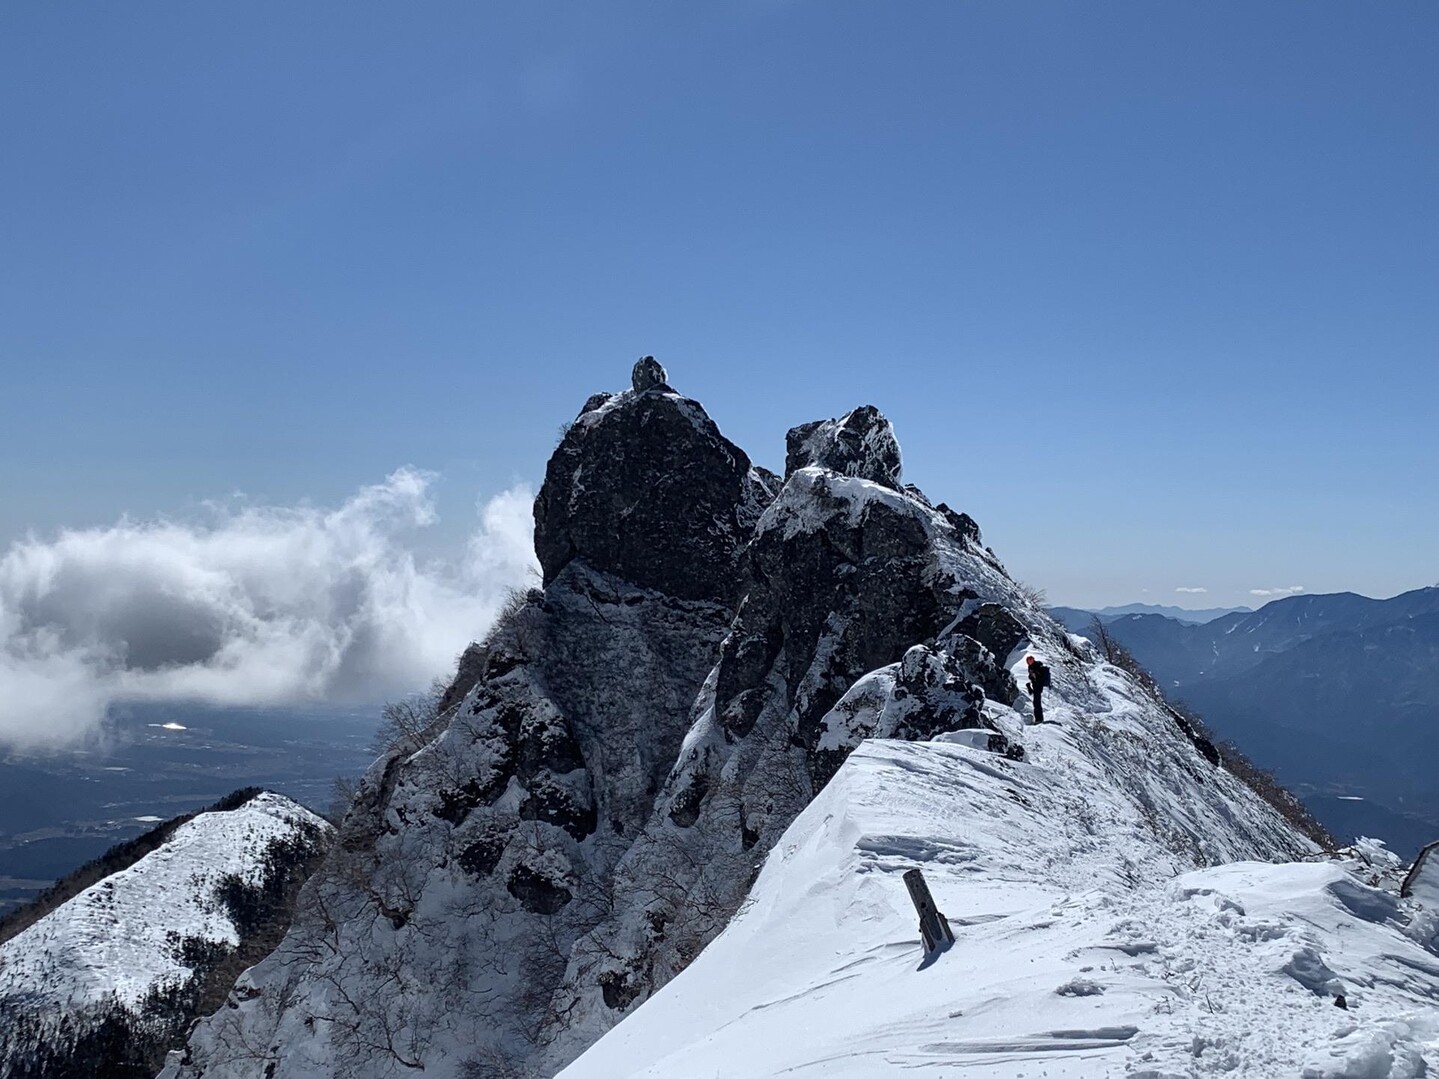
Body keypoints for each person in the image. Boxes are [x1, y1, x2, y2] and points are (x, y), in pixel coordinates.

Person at [1025, 655, 1051, 723]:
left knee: (1037, 703)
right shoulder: (1031, 667)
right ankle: (1038, 718)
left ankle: (1039, 719)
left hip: (1038, 686)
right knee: (1036, 702)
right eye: (1028, 661)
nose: (1029, 662)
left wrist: (1035, 675)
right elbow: (1032, 676)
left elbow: (1039, 676)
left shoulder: (1036, 666)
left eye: (1030, 660)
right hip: (1035, 686)